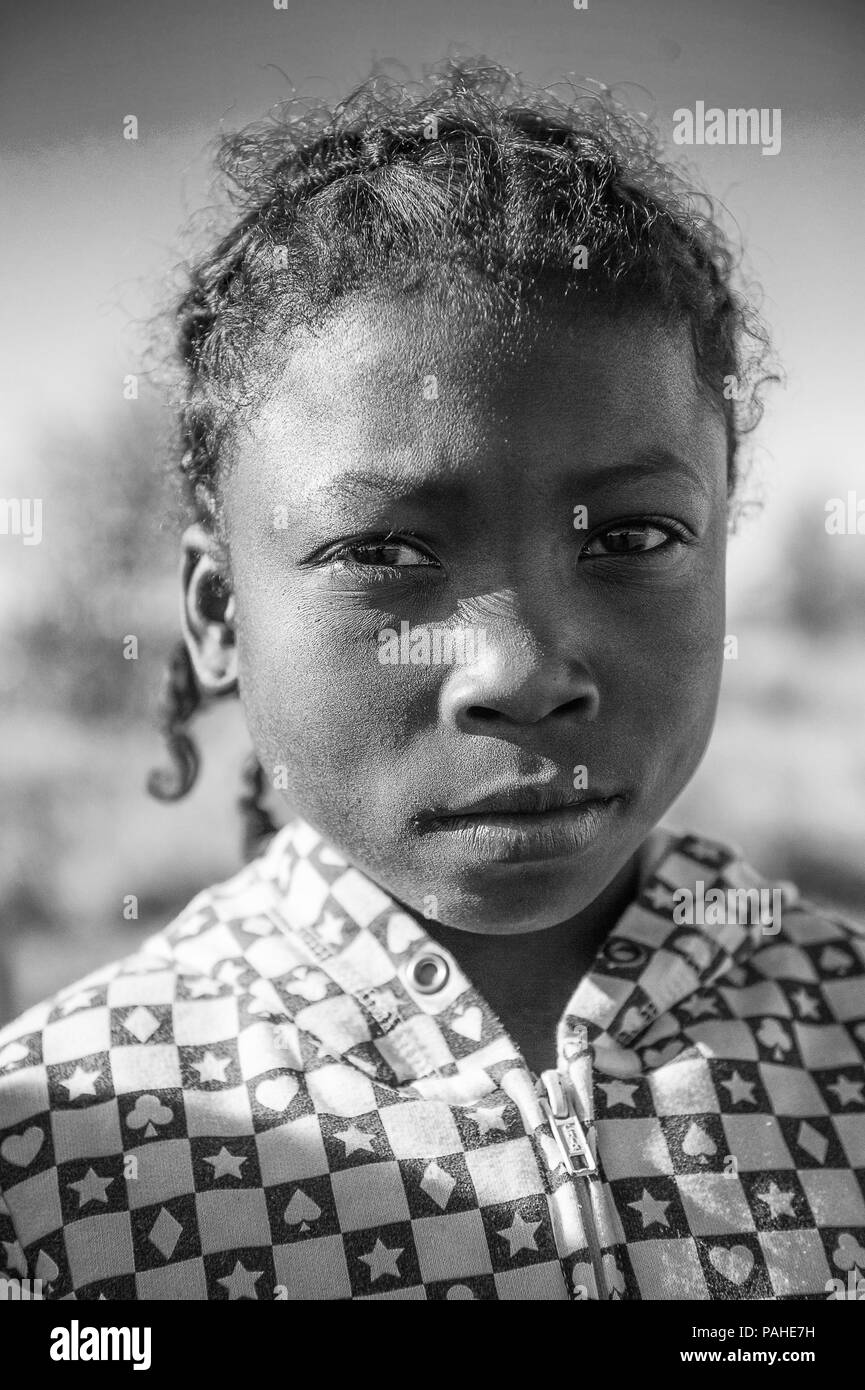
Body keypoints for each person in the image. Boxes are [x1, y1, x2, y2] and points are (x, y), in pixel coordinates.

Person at [1, 60, 863, 1302]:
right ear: (216, 614)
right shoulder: (60, 1153)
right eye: (383, 554)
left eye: (631, 538)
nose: (519, 672)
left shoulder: (840, 1032)